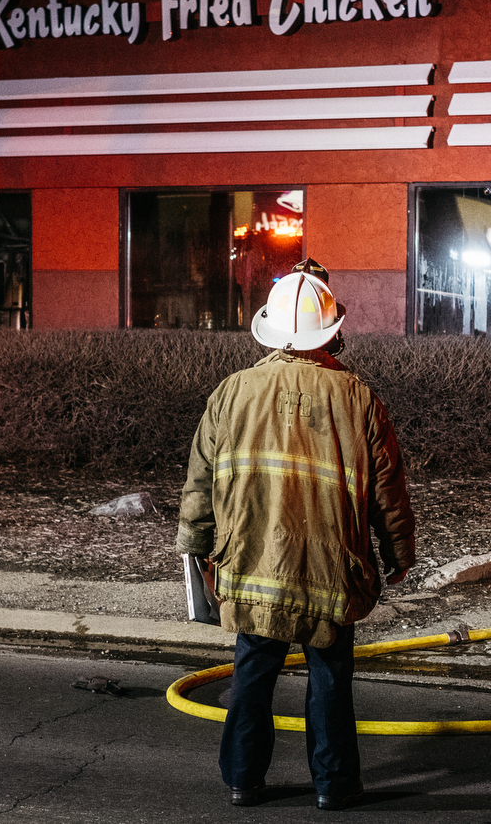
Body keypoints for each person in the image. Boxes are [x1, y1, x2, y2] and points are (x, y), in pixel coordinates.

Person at [177, 258, 416, 811]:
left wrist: (195, 550)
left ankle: (243, 779)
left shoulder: (232, 392)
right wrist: (398, 551)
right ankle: (335, 785)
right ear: (331, 331)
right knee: (330, 677)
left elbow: (200, 483)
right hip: (331, 570)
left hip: (252, 565)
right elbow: (388, 490)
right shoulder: (358, 397)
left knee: (252, 674)